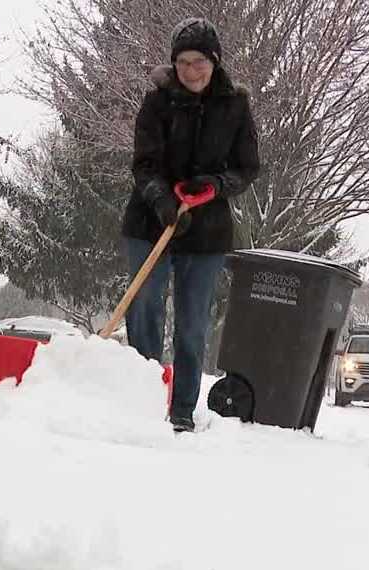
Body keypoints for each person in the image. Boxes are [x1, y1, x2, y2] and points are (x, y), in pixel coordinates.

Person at [122, 17, 260, 432]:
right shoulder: (157, 103)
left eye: (199, 61)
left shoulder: (235, 106)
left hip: (206, 230)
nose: (191, 70)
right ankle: (143, 398)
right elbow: (144, 164)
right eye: (182, 62)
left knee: (193, 322)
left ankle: (182, 408)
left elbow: (247, 168)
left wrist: (216, 185)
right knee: (145, 307)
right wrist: (162, 200)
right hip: (150, 221)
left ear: (214, 62)